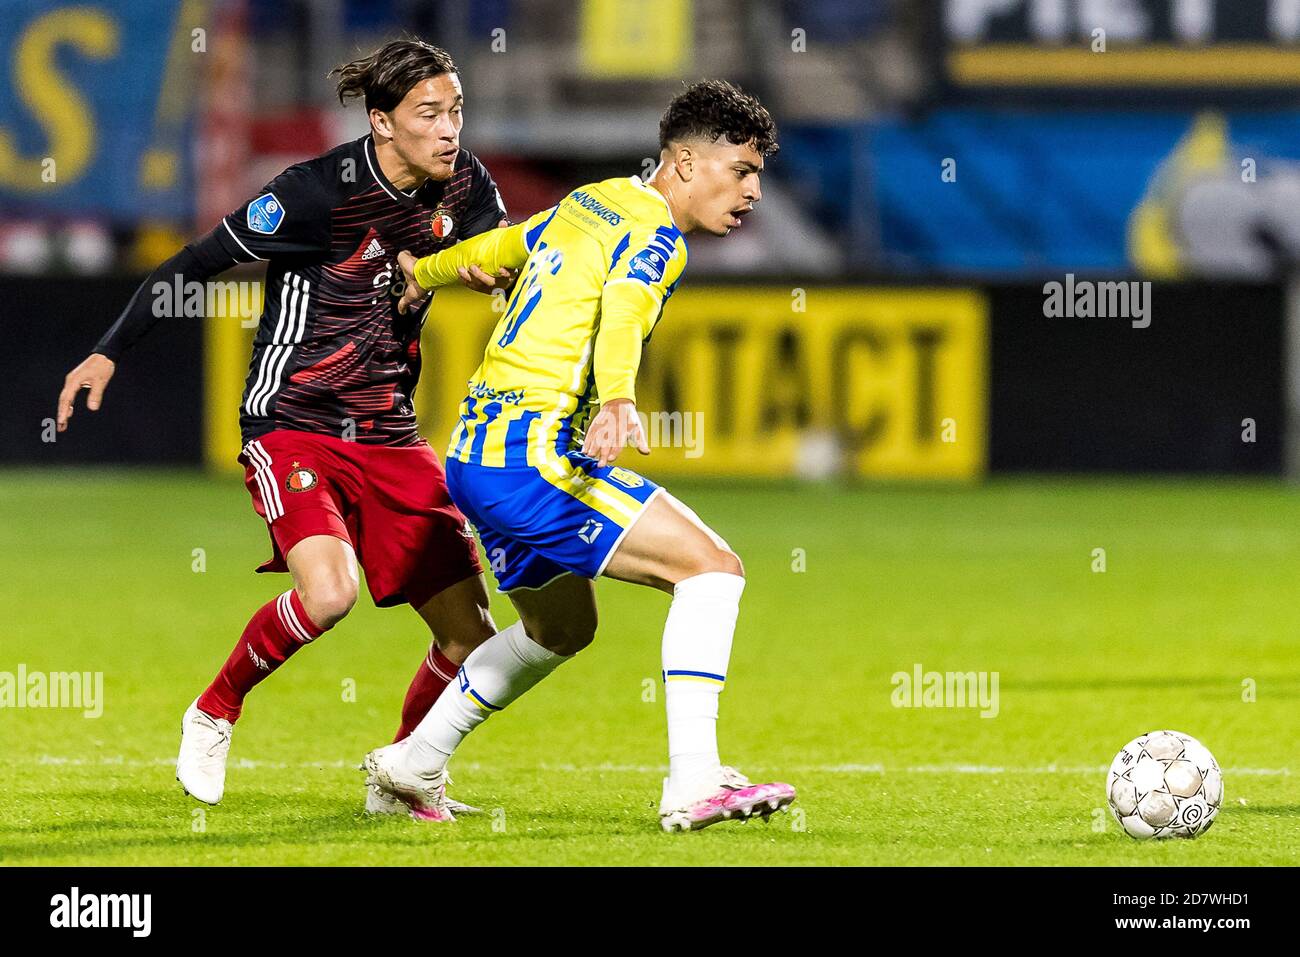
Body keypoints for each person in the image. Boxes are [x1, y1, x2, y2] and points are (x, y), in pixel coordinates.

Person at [56, 39, 516, 814]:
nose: (448, 130)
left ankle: (402, 776)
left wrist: (490, 272)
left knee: (471, 636)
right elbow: (195, 262)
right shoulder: (315, 192)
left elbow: (506, 264)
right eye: (429, 114)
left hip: (389, 430)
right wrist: (107, 352)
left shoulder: (465, 183)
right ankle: (213, 711)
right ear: (381, 122)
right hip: (294, 420)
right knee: (329, 594)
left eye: (456, 111)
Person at [363, 80, 797, 831]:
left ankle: (414, 762)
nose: (754, 191)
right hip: (531, 455)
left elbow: (506, 246)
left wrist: (422, 271)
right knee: (712, 569)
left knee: (559, 629)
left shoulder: (593, 201)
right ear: (685, 164)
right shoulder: (658, 236)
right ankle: (694, 781)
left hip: (474, 455)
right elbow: (625, 309)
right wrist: (620, 397)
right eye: (742, 170)